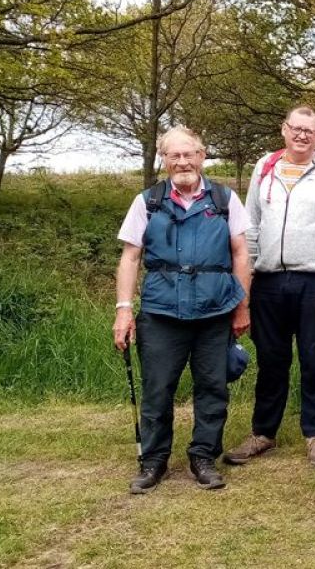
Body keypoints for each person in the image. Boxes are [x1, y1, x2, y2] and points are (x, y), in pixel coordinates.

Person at [112, 126, 252, 494]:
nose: (182, 161)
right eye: (174, 155)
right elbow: (130, 256)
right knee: (157, 389)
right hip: (161, 312)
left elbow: (241, 254)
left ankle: (203, 456)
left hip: (214, 311)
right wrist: (124, 309)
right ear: (164, 159)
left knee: (213, 386)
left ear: (202, 156)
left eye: (189, 154)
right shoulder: (148, 201)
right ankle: (154, 460)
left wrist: (241, 308)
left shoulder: (224, 199)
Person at [226, 106, 315, 468]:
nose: (302, 135)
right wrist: (247, 286)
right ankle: (263, 432)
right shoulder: (265, 167)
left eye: (309, 131)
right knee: (272, 359)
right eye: (296, 129)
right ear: (283, 130)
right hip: (269, 278)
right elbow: (250, 224)